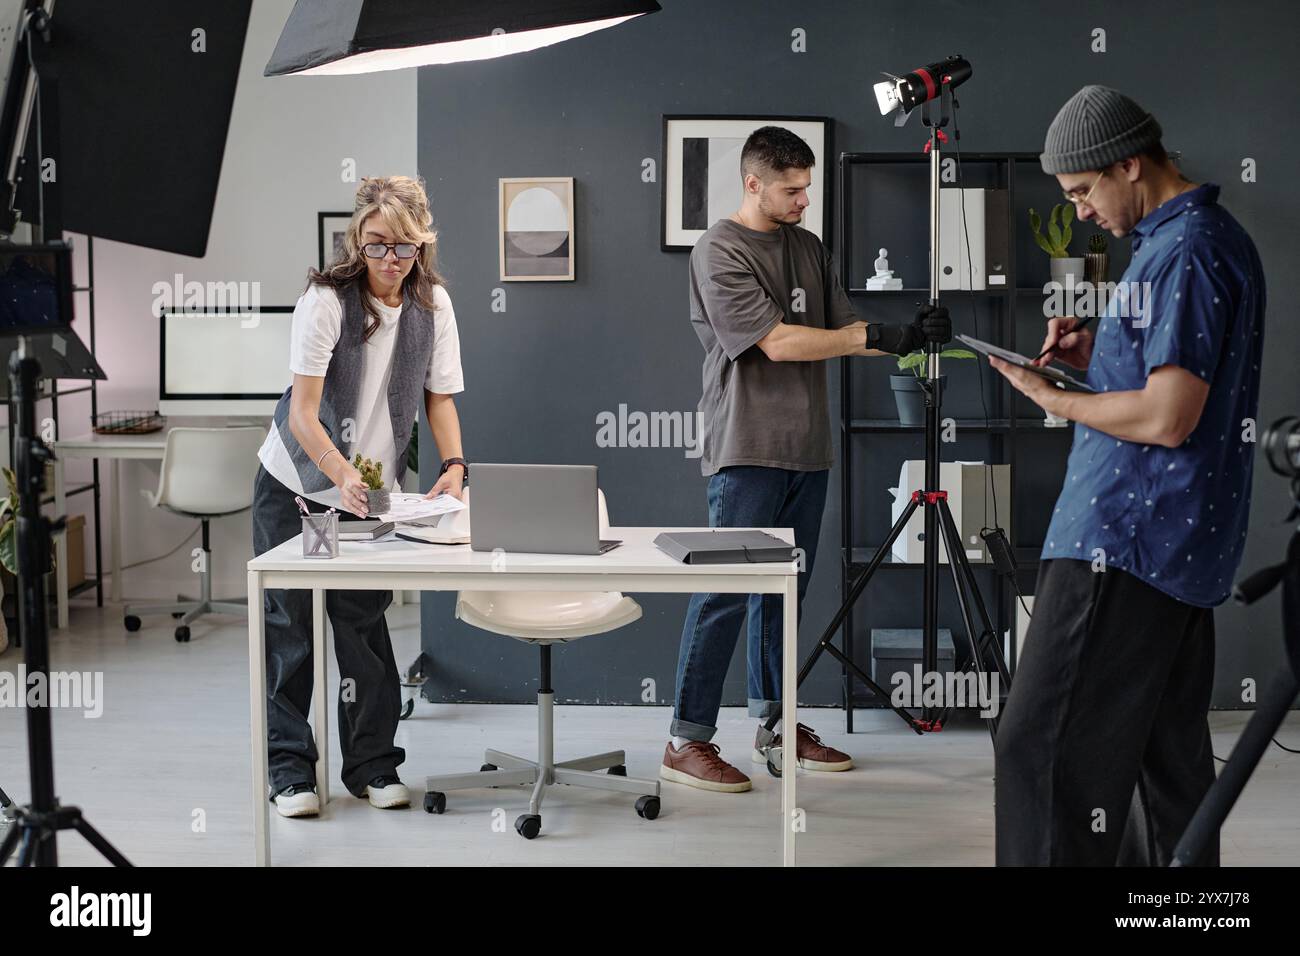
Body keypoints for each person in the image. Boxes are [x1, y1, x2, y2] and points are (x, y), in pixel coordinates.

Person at [989, 86, 1265, 865]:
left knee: (1038, 750)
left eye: (1082, 192)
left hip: (1125, 540)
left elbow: (1169, 416)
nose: (1078, 211)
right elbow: (1161, 387)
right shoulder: (1202, 237)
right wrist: (1096, 358)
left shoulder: (1183, 249)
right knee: (1163, 771)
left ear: (1129, 165)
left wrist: (1051, 397)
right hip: (1176, 549)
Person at [661, 126, 951, 792]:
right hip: (747, 448)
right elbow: (781, 344)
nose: (802, 201)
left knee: (781, 597)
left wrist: (908, 337)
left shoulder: (810, 247)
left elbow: (846, 333)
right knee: (724, 595)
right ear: (754, 182)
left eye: (807, 189)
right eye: (791, 190)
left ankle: (775, 725)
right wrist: (868, 334)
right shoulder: (719, 249)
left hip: (807, 450)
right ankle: (685, 740)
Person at [253, 175, 469, 817]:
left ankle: (373, 765)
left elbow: (439, 399)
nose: (389, 261)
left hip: (370, 496)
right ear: (358, 239)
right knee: (289, 630)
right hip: (298, 487)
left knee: (364, 629)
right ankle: (290, 771)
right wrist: (336, 472)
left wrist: (455, 464)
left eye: (404, 247)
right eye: (377, 245)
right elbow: (303, 412)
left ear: (422, 245)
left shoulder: (434, 306)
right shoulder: (324, 302)